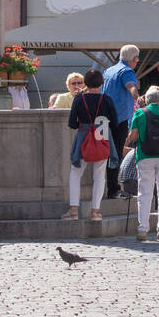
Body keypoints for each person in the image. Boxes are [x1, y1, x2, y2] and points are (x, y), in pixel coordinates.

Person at [126, 84, 159, 241]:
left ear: (147, 100)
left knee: (144, 193)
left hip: (144, 156)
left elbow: (132, 137)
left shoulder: (139, 114)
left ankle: (143, 229)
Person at [66, 68, 119, 222]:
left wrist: (86, 126)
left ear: (86, 83)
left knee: (76, 172)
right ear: (101, 83)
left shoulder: (79, 99)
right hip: (101, 136)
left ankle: (74, 210)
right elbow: (114, 123)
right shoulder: (107, 99)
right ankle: (95, 212)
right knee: (99, 176)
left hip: (84, 138)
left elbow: (72, 123)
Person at [102, 45, 140, 197]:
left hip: (104, 118)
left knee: (105, 154)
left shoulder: (109, 70)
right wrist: (139, 98)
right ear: (135, 59)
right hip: (119, 119)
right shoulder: (127, 71)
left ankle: (106, 187)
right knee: (115, 154)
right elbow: (131, 86)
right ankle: (113, 189)